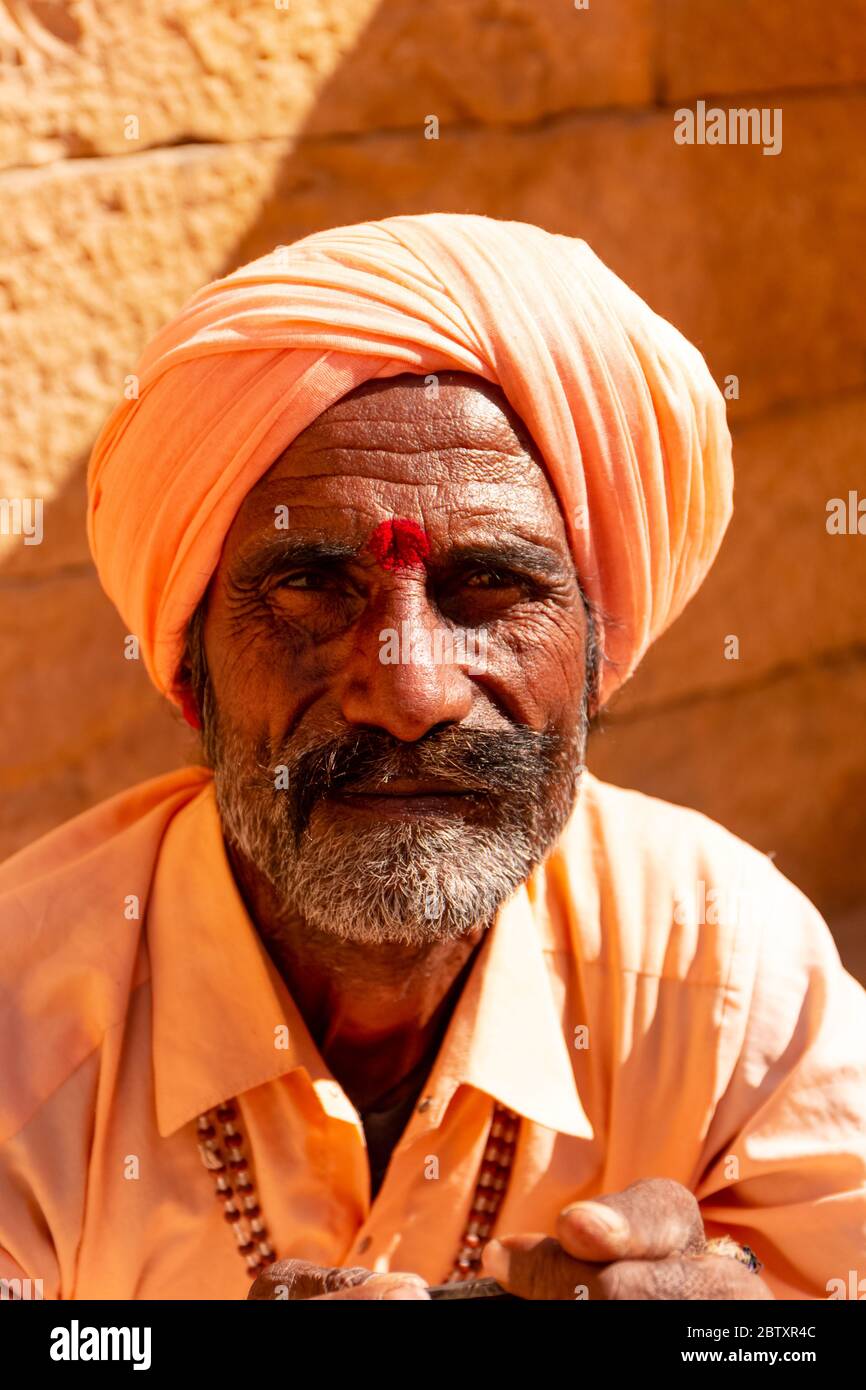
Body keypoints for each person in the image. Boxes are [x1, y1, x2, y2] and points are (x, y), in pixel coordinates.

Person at [1, 214, 863, 1302]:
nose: (410, 694)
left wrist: (738, 1319)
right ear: (190, 673)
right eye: (312, 586)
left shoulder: (726, 969)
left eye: (490, 585)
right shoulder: (22, 1038)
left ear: (595, 659)